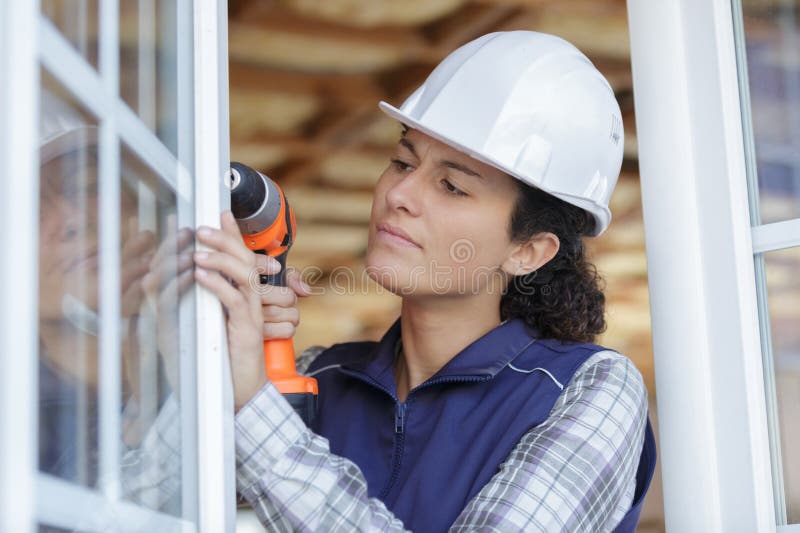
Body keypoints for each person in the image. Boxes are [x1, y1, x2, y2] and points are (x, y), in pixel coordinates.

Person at [196, 31, 657, 532]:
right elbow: (144, 506)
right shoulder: (318, 376)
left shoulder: (589, 391)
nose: (400, 193)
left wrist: (253, 406)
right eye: (402, 162)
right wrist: (199, 356)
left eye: (452, 186)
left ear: (528, 251)